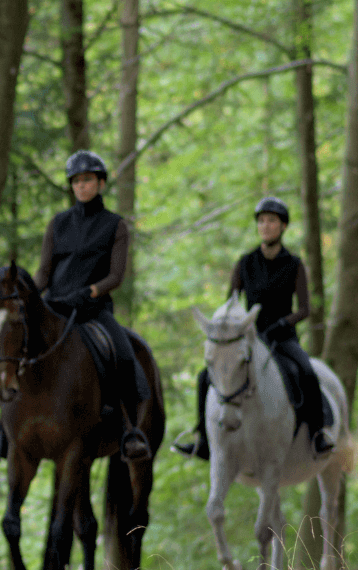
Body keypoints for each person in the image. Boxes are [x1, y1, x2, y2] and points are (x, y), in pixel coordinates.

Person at [175, 196, 331, 460]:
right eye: (261, 221)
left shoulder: (294, 265)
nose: (266, 225)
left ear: (283, 226)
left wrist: (283, 323)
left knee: (305, 370)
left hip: (282, 338)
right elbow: (231, 303)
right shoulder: (245, 262)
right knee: (204, 376)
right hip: (248, 337)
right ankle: (202, 437)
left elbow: (304, 309)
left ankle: (318, 433)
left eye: (272, 221)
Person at [32, 150, 151, 461]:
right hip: (55, 307)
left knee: (124, 354)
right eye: (76, 181)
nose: (82, 186)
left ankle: (130, 430)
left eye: (87, 180)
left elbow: (116, 276)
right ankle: (2, 431)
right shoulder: (57, 224)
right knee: (18, 349)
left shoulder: (115, 225)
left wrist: (90, 292)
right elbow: (44, 273)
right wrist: (29, 295)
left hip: (93, 310)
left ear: (100, 183)